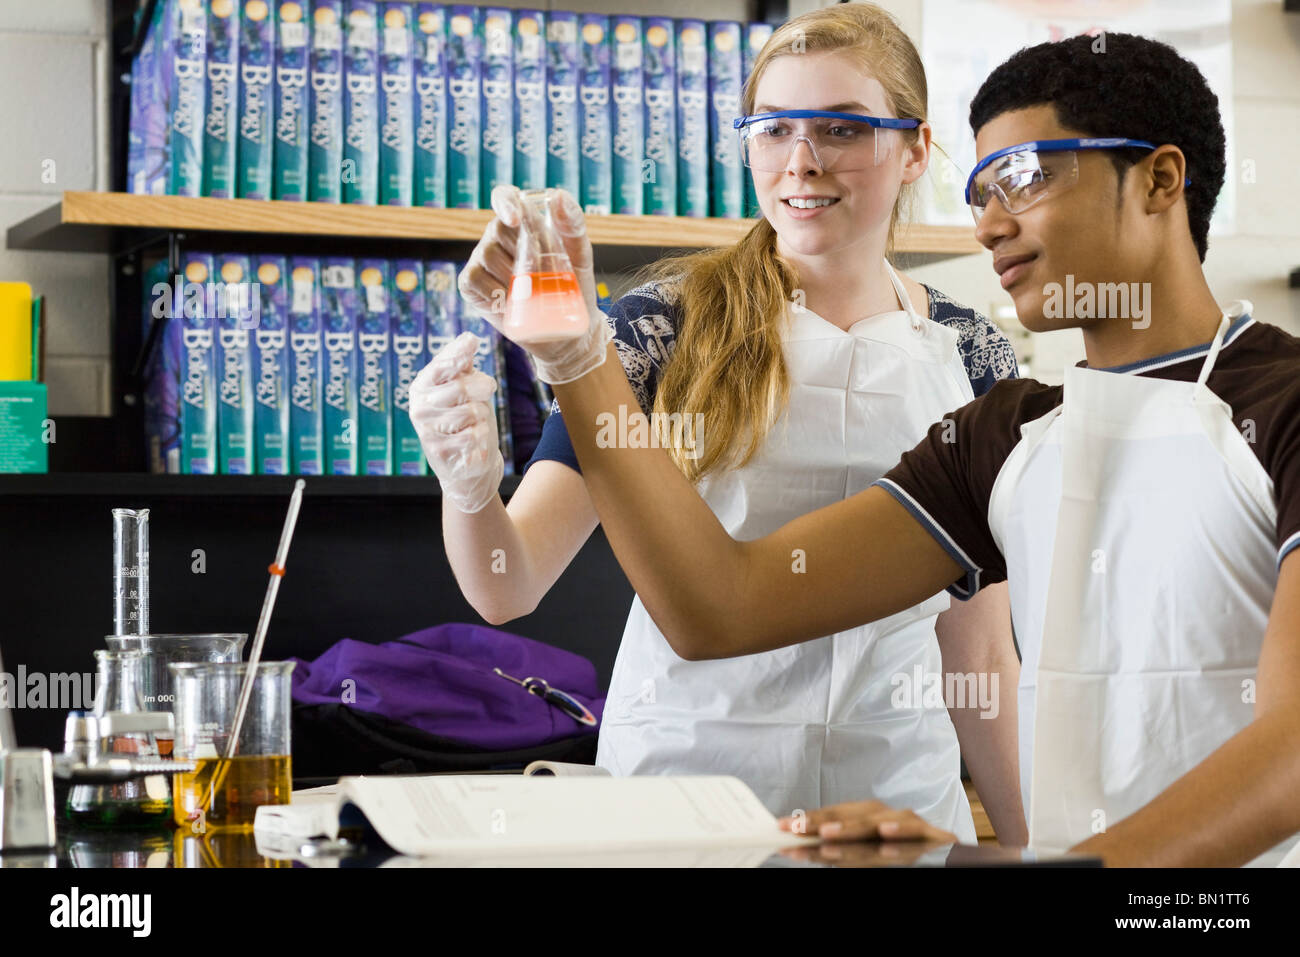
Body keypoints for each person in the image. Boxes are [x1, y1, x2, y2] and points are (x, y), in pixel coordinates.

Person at [447, 30, 1300, 867]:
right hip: (697, 804)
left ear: (1159, 178)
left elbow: (1285, 744)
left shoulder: (1262, 400)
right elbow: (719, 606)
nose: (991, 224)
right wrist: (576, 359)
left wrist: (1038, 860)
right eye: (984, 188)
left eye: (1027, 178)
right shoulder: (1004, 434)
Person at [411, 4, 1026, 844]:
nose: (801, 163)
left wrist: (1034, 850)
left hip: (896, 818)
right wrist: (468, 486)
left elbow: (980, 653)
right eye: (773, 130)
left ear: (915, 146)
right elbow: (505, 585)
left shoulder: (974, 354)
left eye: (841, 128)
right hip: (679, 808)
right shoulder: (655, 328)